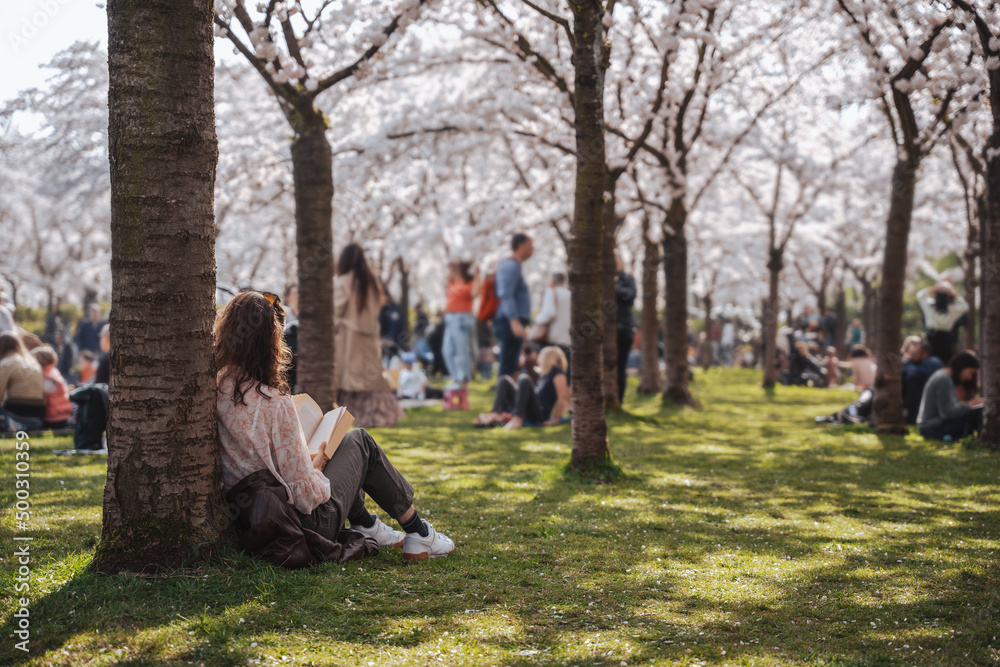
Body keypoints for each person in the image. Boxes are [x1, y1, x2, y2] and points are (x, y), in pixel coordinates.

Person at [215, 290, 453, 561]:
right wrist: (316, 467)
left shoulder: (214, 388)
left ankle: (366, 524)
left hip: (249, 517)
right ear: (271, 341)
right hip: (303, 524)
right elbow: (306, 498)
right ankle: (419, 533)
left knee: (345, 444)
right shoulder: (273, 401)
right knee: (359, 441)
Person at [334, 244, 404, 428]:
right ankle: (378, 417)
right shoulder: (372, 283)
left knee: (349, 382)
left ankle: (347, 418)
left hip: (348, 340)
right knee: (371, 379)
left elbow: (335, 312)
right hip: (370, 340)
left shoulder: (342, 282)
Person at [477, 346, 571, 429]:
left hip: (539, 413)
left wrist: (555, 420)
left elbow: (561, 398)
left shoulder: (558, 373)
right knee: (504, 380)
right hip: (528, 409)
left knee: (524, 379)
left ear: (548, 358)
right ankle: (495, 414)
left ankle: (517, 418)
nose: (539, 360)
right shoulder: (545, 374)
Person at [917, 351, 982, 441]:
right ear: (962, 367)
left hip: (933, 426)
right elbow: (947, 413)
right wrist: (970, 405)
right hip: (931, 429)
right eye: (970, 372)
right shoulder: (943, 379)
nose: (970, 377)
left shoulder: (946, 378)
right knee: (972, 414)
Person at [494, 233, 534, 378]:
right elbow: (505, 293)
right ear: (520, 245)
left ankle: (510, 397)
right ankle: (504, 399)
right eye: (530, 245)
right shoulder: (510, 265)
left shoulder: (516, 266)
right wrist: (514, 320)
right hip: (508, 321)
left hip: (513, 320)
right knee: (508, 362)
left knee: (513, 363)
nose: (533, 249)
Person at [442, 261, 480, 388]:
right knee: (447, 351)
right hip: (450, 318)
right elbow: (446, 290)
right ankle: (456, 379)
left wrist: (477, 274)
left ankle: (464, 380)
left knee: (462, 350)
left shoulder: (471, 283)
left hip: (462, 318)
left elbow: (475, 293)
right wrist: (450, 271)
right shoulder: (456, 282)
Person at [0, 332, 45, 432]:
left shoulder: (6, 363)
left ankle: (8, 424)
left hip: (16, 417)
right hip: (37, 419)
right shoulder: (34, 363)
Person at [916, 281, 969, 364]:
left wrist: (932, 289)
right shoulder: (953, 309)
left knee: (928, 362)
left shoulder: (930, 306)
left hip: (930, 338)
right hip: (946, 339)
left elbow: (920, 295)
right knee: (944, 363)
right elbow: (965, 307)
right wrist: (955, 294)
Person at [901, 336, 943, 425]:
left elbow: (914, 375)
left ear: (925, 353)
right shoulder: (916, 364)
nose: (911, 354)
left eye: (914, 352)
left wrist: (907, 363)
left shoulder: (933, 362)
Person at [30, 346, 74, 428]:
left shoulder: (47, 377)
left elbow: (42, 399)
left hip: (54, 417)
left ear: (40, 361)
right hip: (64, 413)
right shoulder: (53, 371)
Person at [614, 253, 637, 402]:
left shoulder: (627, 279)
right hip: (601, 329)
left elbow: (630, 297)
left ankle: (618, 401)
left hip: (623, 329)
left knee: (620, 367)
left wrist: (614, 285)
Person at [378, 287, 404, 360]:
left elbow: (395, 325)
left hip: (395, 341)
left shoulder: (395, 309)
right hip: (383, 342)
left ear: (387, 296)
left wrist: (389, 338)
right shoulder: (382, 310)